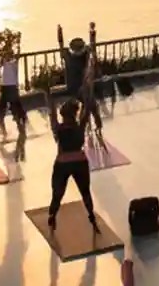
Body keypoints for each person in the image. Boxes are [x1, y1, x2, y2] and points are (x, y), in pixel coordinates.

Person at [45, 88, 100, 233]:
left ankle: (52, 214)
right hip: (80, 162)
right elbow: (86, 110)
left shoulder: (59, 129)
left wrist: (49, 98)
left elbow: (52, 115)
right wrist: (87, 96)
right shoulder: (80, 127)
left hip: (63, 164)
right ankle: (91, 216)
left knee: (57, 193)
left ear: (63, 115)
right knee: (85, 192)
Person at [58, 27, 103, 140]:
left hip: (76, 88)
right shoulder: (82, 56)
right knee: (91, 107)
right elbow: (92, 48)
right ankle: (96, 128)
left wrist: (60, 34)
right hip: (81, 88)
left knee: (89, 107)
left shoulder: (69, 56)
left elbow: (60, 45)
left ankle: (93, 127)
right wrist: (92, 34)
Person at [0, 37, 27, 133]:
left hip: (12, 86)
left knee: (15, 104)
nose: (7, 56)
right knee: (4, 104)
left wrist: (17, 46)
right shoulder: (5, 62)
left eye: (9, 54)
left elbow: (17, 55)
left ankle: (21, 117)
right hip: (5, 85)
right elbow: (0, 60)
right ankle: (2, 119)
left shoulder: (14, 62)